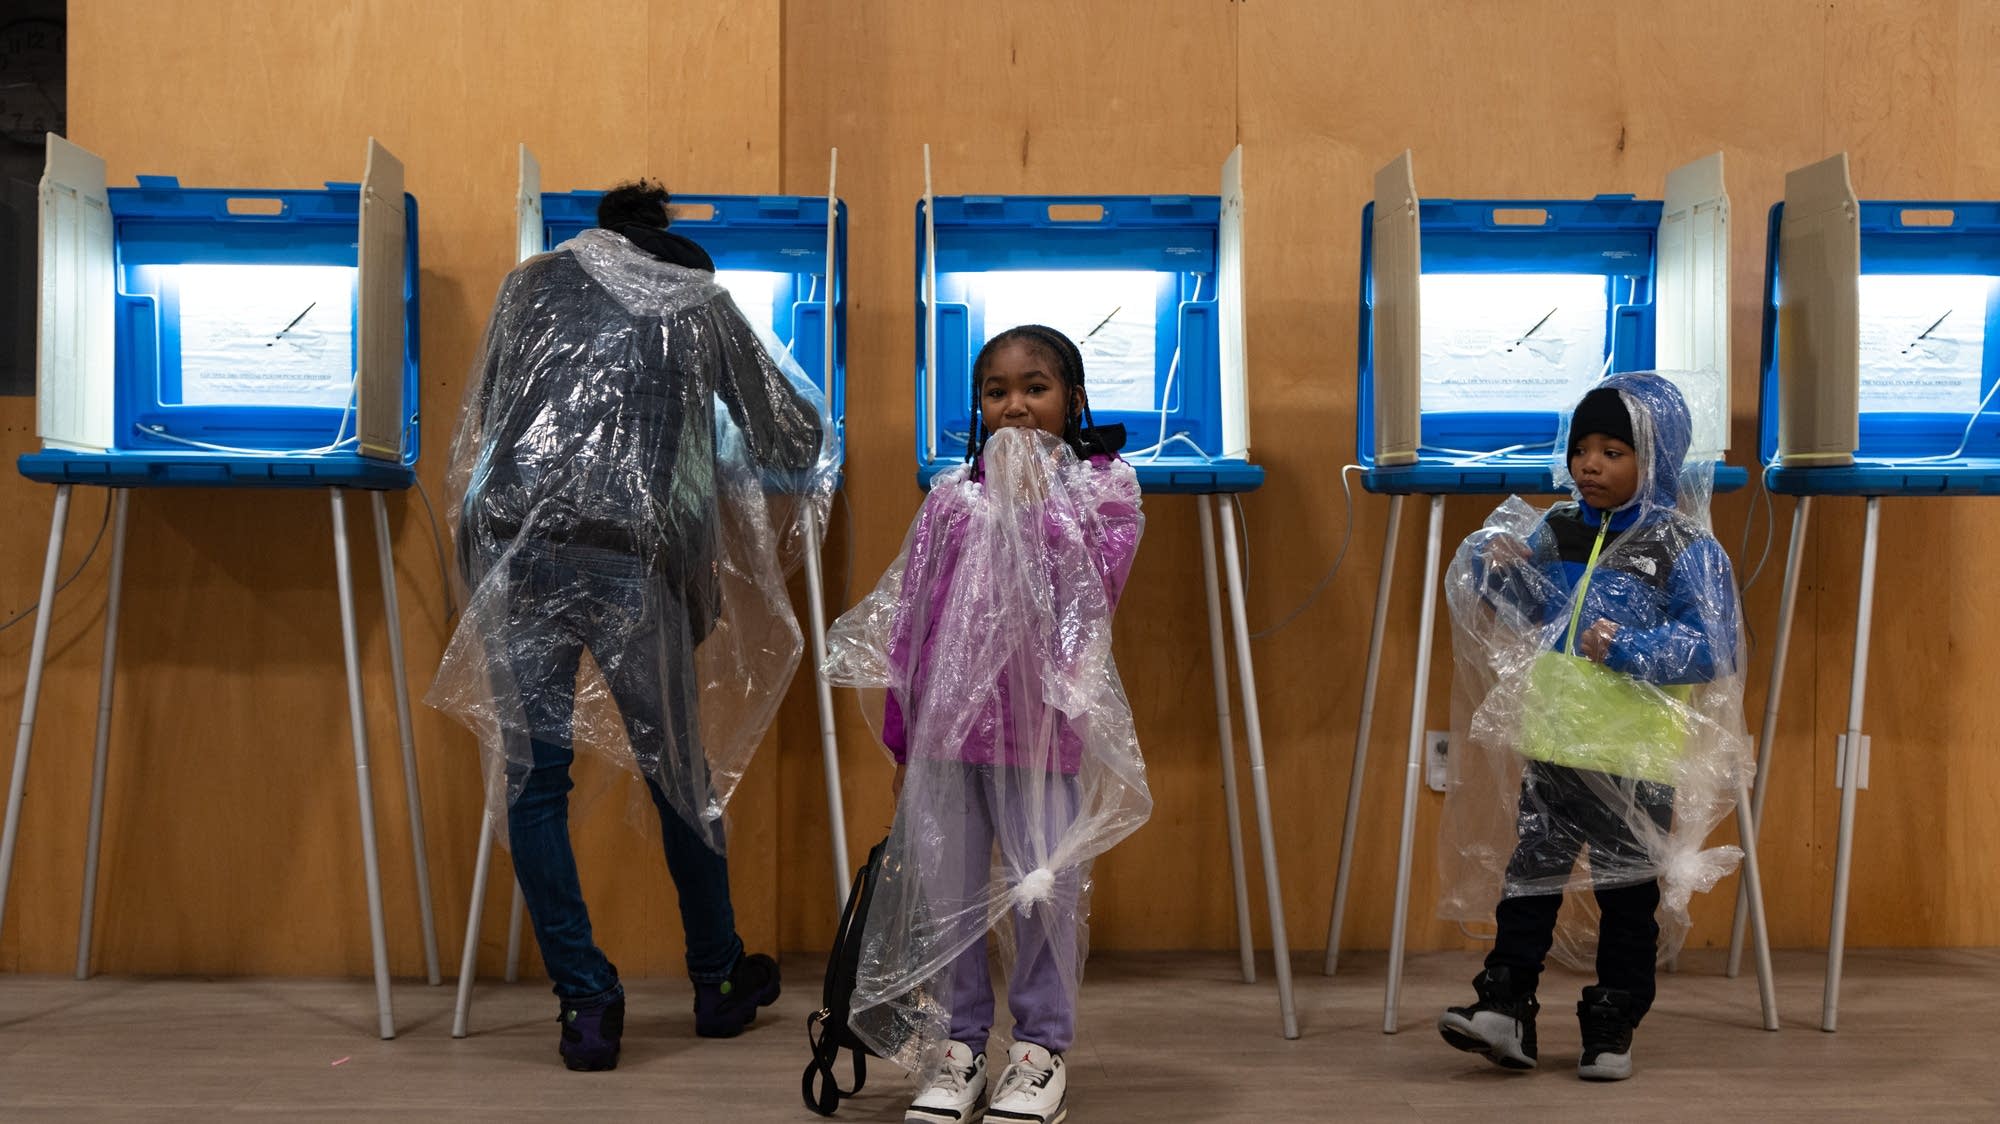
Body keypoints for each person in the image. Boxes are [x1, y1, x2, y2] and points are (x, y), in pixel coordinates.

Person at [433, 179, 825, 1071]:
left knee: (534, 783)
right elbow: (791, 438)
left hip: (513, 544)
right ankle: (719, 980)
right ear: (666, 236)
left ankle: (586, 1006)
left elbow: (497, 415)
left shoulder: (527, 284)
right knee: (679, 775)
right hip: (632, 554)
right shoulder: (700, 300)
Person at [825, 325, 1148, 1124]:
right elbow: (911, 626)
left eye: (1034, 389)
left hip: (1039, 736)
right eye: (996, 393)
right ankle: (960, 1044)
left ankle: (1039, 1051)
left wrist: (1034, 508)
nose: (1015, 409)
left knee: (1045, 892)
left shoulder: (1106, 493)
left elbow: (1089, 604)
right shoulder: (949, 501)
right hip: (946, 739)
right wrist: (904, 736)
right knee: (952, 895)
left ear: (1072, 400)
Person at [1436, 372, 1747, 1082]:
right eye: (1583, 450)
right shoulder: (1560, 527)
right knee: (1530, 880)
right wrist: (1499, 571)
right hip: (1555, 744)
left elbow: (1716, 645)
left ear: (1658, 459)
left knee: (1626, 899)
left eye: (1615, 451)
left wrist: (1633, 649)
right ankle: (1505, 1007)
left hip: (1635, 756)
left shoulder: (1684, 548)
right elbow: (1533, 616)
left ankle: (1612, 1025)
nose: (1592, 465)